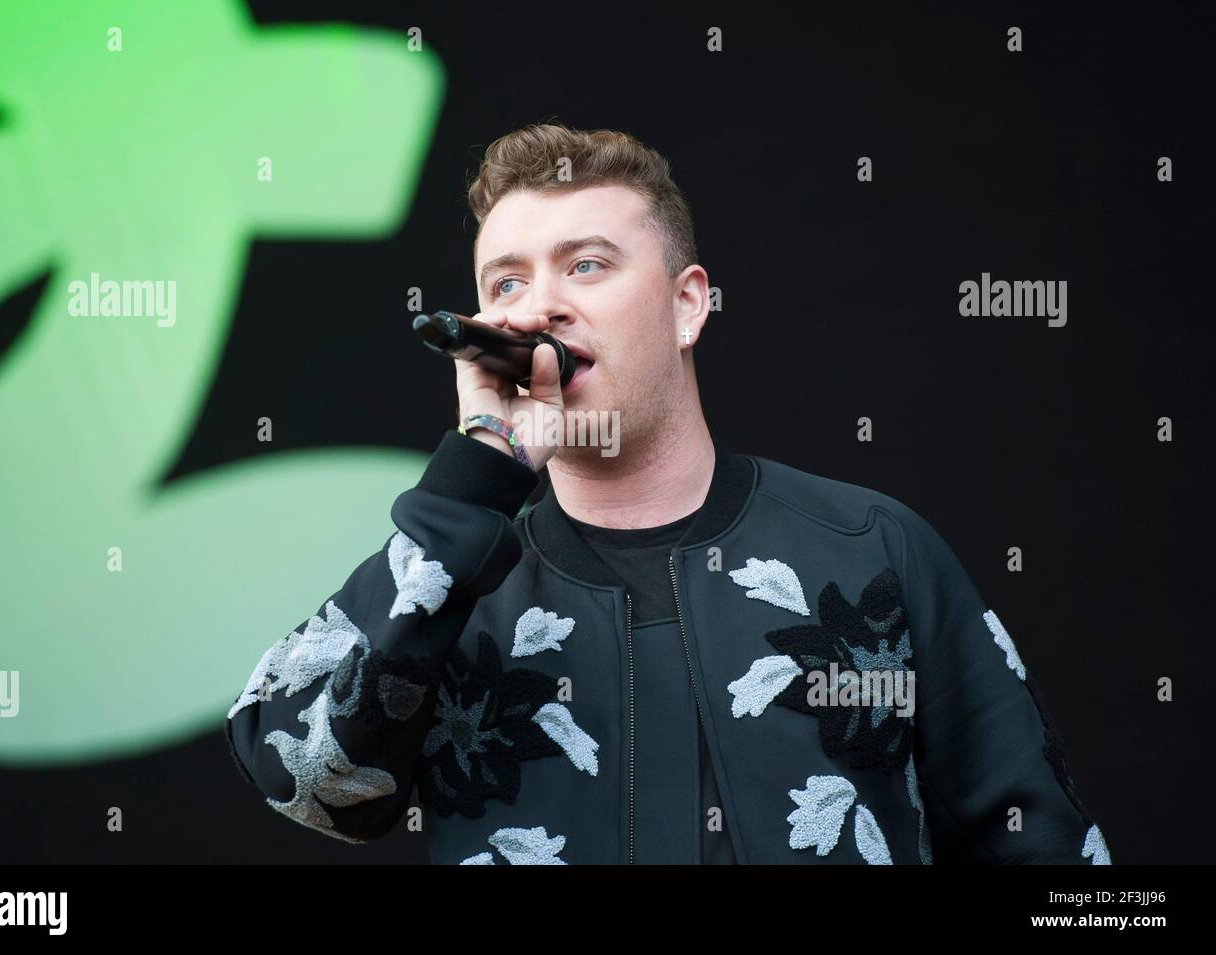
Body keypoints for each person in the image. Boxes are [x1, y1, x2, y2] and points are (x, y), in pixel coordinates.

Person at [223, 123, 1109, 865]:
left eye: (588, 265)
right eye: (507, 282)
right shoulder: (450, 589)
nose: (540, 308)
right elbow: (303, 779)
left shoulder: (872, 548)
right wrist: (475, 472)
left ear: (689, 306)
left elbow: (1047, 851)